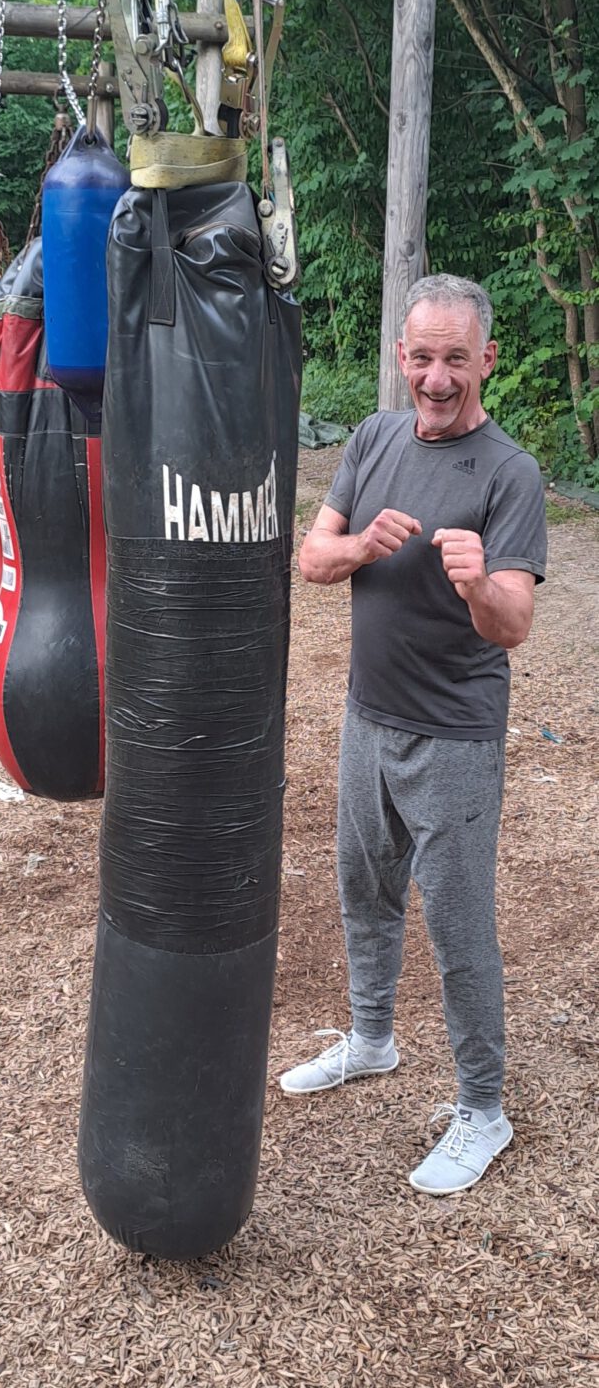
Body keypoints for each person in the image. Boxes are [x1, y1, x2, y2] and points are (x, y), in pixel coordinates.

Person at [280, 274, 547, 1196]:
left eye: (455, 360)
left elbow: (511, 625)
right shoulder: (373, 437)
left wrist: (478, 582)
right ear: (402, 357)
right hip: (368, 716)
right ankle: (370, 1039)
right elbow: (311, 558)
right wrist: (360, 548)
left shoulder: (508, 473)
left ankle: (483, 1109)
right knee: (365, 890)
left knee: (457, 925)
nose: (437, 378)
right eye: (422, 357)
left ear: (486, 361)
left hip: (453, 735)